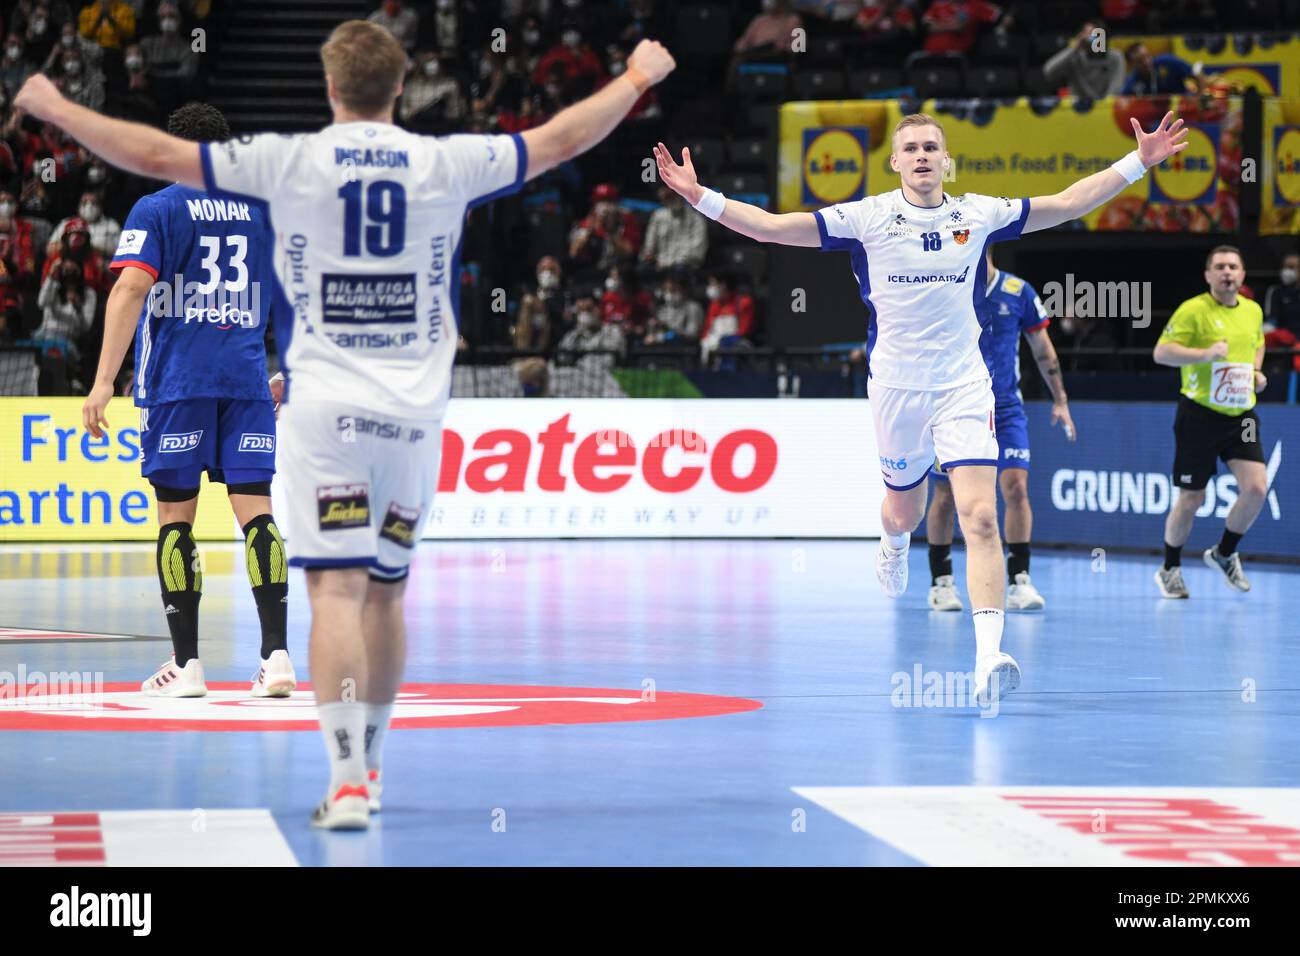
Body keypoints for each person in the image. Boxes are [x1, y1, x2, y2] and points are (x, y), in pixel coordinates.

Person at [14, 20, 676, 829]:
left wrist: (55, 105)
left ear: (330, 90)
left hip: (318, 413)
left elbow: (152, 156)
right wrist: (637, 76)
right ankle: (356, 743)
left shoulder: (285, 164)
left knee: (333, 589)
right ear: (402, 89)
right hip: (404, 416)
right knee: (385, 598)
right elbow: (560, 137)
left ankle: (341, 777)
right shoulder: (447, 160)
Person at [655, 108, 1186, 705]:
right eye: (911, 148)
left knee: (981, 519)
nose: (923, 156)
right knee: (903, 512)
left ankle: (989, 657)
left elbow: (1067, 202)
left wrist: (1138, 162)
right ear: (896, 162)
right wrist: (701, 196)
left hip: (964, 384)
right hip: (896, 389)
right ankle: (895, 543)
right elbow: (773, 228)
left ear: (946, 158)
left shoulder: (978, 214)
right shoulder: (867, 218)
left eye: (932, 146)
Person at [75, 103, 294, 700]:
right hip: (247, 384)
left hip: (178, 386)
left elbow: (128, 290)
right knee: (258, 514)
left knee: (177, 519)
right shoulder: (263, 213)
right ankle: (276, 655)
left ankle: (187, 664)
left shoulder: (160, 207)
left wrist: (101, 381)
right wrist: (290, 371)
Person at [926, 245, 1076, 613]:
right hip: (954, 408)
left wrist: (1061, 400)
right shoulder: (945, 289)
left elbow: (1043, 350)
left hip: (1005, 408)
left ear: (985, 249)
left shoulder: (1018, 292)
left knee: (1016, 488)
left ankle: (1019, 580)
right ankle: (941, 582)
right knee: (946, 495)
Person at [1152, 246, 1268, 598]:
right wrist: (1204, 354)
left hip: (1241, 414)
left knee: (1256, 488)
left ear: (1243, 274)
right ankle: (1170, 567)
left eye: (1233, 266)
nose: (1227, 272)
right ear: (1208, 275)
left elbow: (1257, 342)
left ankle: (1224, 552)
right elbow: (1162, 353)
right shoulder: (1193, 310)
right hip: (1199, 414)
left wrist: (1258, 372)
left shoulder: (1252, 310)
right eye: (1219, 267)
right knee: (1192, 497)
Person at [1042, 21, 1125, 99]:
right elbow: (1048, 72)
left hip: (1104, 108)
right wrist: (1073, 48)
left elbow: (1115, 87)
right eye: (1086, 34)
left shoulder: (1115, 57)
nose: (1088, 38)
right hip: (1079, 109)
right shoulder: (1073, 57)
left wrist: (1102, 107)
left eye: (1094, 35)